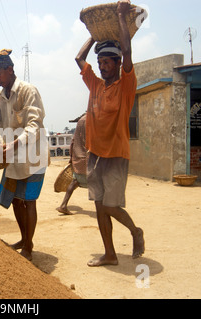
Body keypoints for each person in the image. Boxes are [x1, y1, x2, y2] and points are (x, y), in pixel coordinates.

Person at [75, 0, 145, 267]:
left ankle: (135, 231)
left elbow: (127, 51)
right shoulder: (94, 84)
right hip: (95, 155)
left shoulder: (125, 85)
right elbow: (79, 58)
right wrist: (94, 34)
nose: (103, 66)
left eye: (107, 62)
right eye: (101, 62)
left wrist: (119, 16)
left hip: (116, 154)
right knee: (99, 205)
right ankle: (110, 254)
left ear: (117, 64)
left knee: (110, 206)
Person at [0, 49, 48, 261]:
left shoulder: (28, 91)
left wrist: (16, 143)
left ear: (10, 69)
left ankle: (29, 245)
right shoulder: (0, 96)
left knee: (29, 201)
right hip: (12, 156)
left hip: (33, 157)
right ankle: (24, 238)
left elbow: (35, 125)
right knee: (15, 201)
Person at [56, 113, 88, 215]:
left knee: (75, 181)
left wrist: (71, 157)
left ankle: (63, 205)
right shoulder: (92, 120)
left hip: (78, 158)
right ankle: (106, 209)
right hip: (89, 158)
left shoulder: (81, 121)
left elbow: (73, 142)